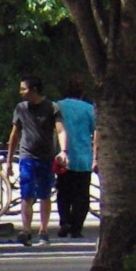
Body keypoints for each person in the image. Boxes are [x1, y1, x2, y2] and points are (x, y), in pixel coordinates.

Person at [3, 75, 67, 247]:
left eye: (23, 88)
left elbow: (60, 130)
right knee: (27, 194)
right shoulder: (21, 108)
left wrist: (63, 151)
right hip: (27, 157)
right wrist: (9, 161)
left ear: (34, 90)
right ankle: (26, 231)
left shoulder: (52, 108)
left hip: (46, 158)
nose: (21, 92)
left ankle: (43, 231)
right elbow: (14, 135)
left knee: (45, 195)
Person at [55, 77, 96, 238]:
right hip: (83, 157)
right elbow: (96, 130)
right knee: (82, 195)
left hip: (63, 157)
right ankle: (76, 226)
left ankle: (64, 221)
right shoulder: (89, 109)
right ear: (82, 92)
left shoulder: (58, 106)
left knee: (63, 192)